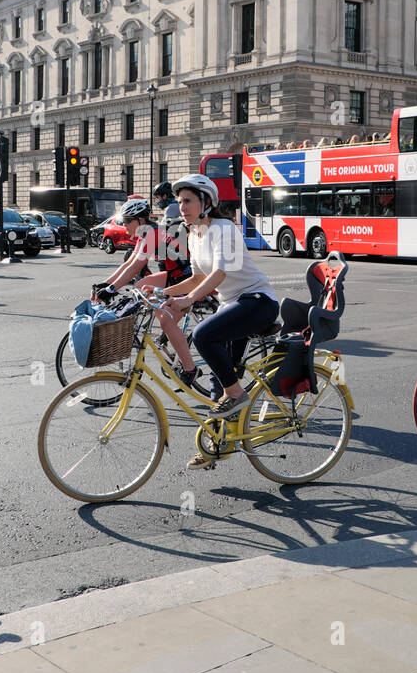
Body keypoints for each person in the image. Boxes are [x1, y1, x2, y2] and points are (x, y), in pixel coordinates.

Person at [164, 174, 279, 459]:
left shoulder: (224, 228)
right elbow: (197, 277)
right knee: (221, 377)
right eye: (180, 202)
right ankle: (222, 441)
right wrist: (165, 294)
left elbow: (219, 273)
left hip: (257, 302)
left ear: (206, 201)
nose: (182, 207)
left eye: (188, 201)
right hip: (232, 305)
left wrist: (189, 300)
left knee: (203, 335)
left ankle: (238, 396)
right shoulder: (194, 234)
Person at [93, 197, 198, 386]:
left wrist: (111, 289)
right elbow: (128, 263)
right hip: (174, 275)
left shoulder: (153, 233)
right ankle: (166, 337)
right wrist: (105, 284)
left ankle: (190, 368)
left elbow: (136, 267)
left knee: (165, 320)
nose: (124, 225)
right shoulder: (147, 233)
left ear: (140, 220)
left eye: (126, 221)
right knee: (141, 285)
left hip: (189, 279)